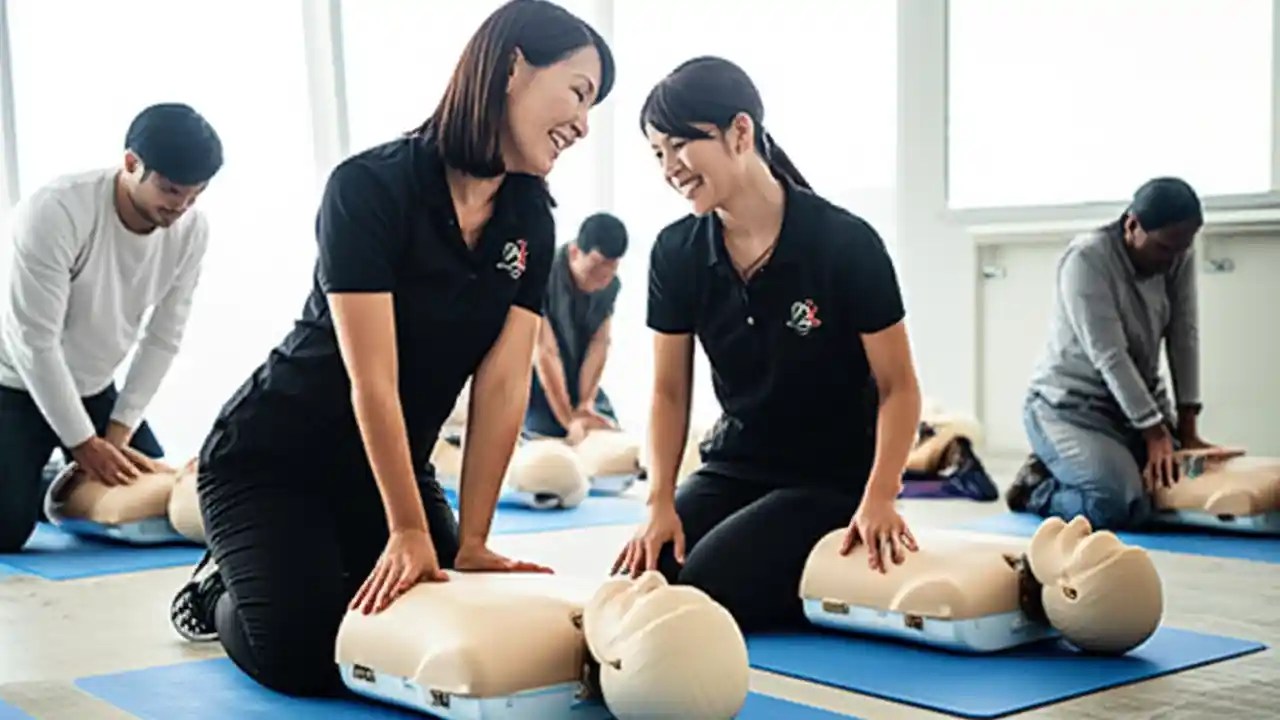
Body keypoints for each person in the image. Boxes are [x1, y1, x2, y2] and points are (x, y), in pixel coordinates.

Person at [166, 0, 615, 697]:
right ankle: (224, 583)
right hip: (272, 458)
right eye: (579, 93)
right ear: (512, 66)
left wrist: (469, 542)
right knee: (304, 652)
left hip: (388, 464)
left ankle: (329, 555)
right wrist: (407, 528)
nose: (585, 125)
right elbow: (371, 378)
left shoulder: (530, 218)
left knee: (417, 614)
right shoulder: (368, 187)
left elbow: (501, 387)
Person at [612, 56, 925, 633]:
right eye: (658, 153)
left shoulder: (844, 242)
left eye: (681, 144)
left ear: (740, 132)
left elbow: (898, 386)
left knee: (709, 585)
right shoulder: (676, 252)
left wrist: (881, 494)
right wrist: (657, 503)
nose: (670, 167)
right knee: (640, 576)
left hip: (827, 477)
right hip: (736, 465)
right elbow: (668, 392)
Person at [0, 103, 222, 552]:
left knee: (156, 504)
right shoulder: (56, 211)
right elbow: (35, 342)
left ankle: (52, 468)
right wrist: (82, 443)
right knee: (6, 530)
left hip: (93, 384)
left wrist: (117, 431)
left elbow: (163, 337)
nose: (180, 207)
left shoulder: (191, 229)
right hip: (14, 381)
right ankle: (42, 469)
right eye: (170, 190)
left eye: (194, 195)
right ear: (131, 164)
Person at [1007, 177, 1212, 531]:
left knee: (1171, 484)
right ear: (1132, 225)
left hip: (1134, 408)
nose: (1173, 259)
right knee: (1120, 504)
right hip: (1069, 410)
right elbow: (1109, 355)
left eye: (1183, 247)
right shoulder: (1087, 259)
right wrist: (1156, 433)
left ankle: (1101, 465)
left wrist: (1187, 428)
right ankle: (1036, 488)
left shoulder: (1177, 254)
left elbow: (1184, 336)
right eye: (1165, 248)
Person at [525, 211, 627, 442]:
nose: (603, 279)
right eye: (596, 268)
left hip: (575, 375)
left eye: (610, 270)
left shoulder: (610, 285)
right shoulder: (542, 273)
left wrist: (585, 405)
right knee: (550, 439)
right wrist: (568, 420)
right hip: (535, 378)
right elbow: (545, 353)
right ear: (574, 252)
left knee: (608, 431)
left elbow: (599, 344)